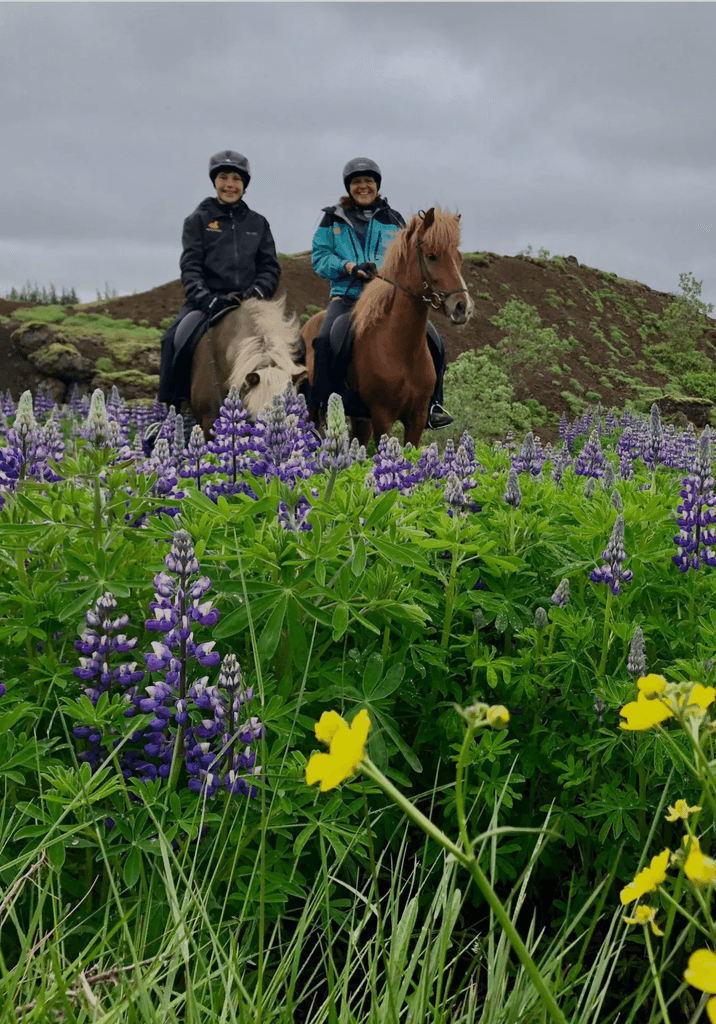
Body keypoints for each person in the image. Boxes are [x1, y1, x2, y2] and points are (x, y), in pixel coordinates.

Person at [309, 157, 453, 429]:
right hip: (348, 296)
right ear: (349, 187)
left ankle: (434, 405)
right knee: (328, 338)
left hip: (388, 299)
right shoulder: (332, 219)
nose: (363, 186)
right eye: (357, 182)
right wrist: (348, 266)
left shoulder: (393, 219)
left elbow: (409, 258)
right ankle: (324, 407)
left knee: (436, 342)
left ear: (377, 186)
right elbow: (320, 257)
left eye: (369, 181)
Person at [157, 150, 281, 409]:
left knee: (296, 343)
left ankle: (307, 413)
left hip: (251, 303)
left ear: (244, 185)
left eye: (236, 178)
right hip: (207, 303)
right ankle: (169, 411)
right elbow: (190, 267)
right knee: (172, 340)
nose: (230, 184)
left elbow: (269, 266)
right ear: (215, 182)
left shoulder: (258, 223)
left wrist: (256, 292)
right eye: (223, 177)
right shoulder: (198, 220)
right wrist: (206, 299)